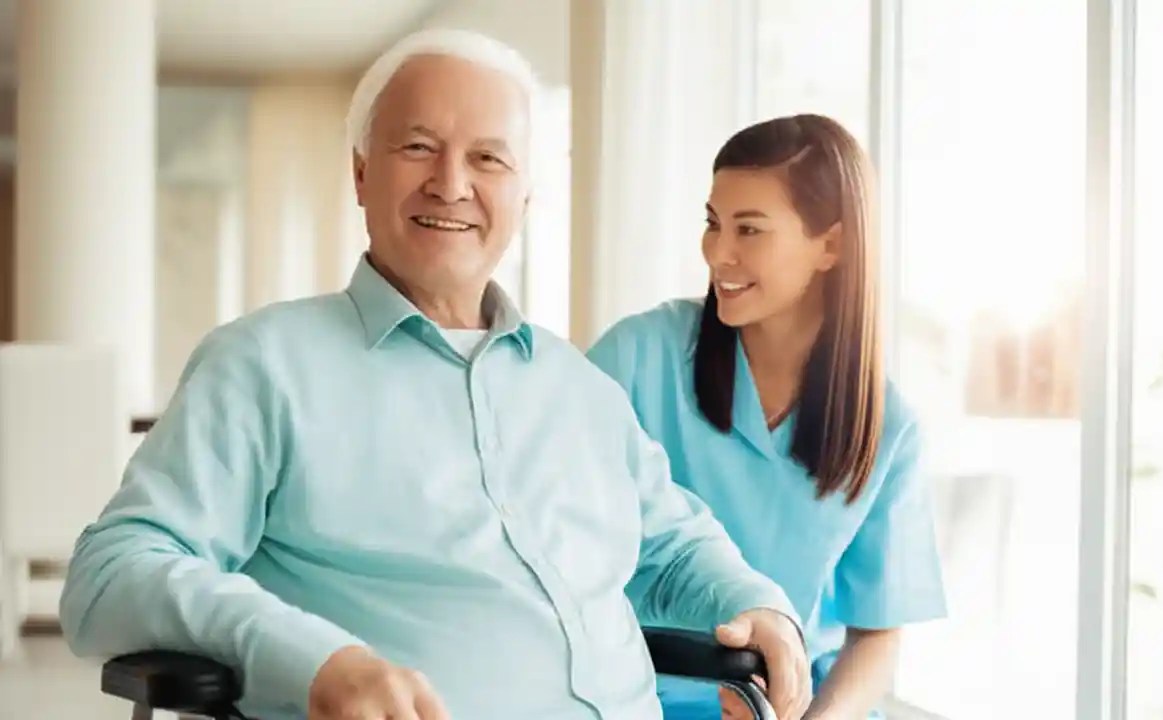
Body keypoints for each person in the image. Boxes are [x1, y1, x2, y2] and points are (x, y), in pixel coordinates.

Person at [59, 29, 812, 720]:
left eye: (489, 158)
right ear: (360, 173)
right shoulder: (261, 365)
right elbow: (112, 574)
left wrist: (758, 604)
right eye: (418, 147)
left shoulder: (581, 391)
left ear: (525, 194)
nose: (451, 184)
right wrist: (316, 661)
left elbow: (675, 547)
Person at [587, 115, 947, 719]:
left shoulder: (891, 427)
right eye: (713, 223)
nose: (716, 253)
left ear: (830, 245)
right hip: (640, 696)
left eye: (749, 230)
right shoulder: (637, 357)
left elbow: (878, 630)